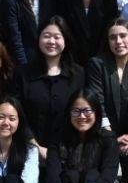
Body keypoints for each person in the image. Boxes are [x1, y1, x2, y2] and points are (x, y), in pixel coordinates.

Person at [84, 18, 128, 183]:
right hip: (102, 130)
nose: (118, 41)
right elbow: (97, 103)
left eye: (123, 36)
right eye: (113, 37)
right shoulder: (97, 64)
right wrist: (111, 138)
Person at [19, 19, 83, 148]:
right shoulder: (22, 73)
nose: (51, 41)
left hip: (69, 151)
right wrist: (35, 146)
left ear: (66, 40)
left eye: (57, 37)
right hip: (29, 150)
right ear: (38, 39)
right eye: (46, 36)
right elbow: (17, 112)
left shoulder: (78, 74)